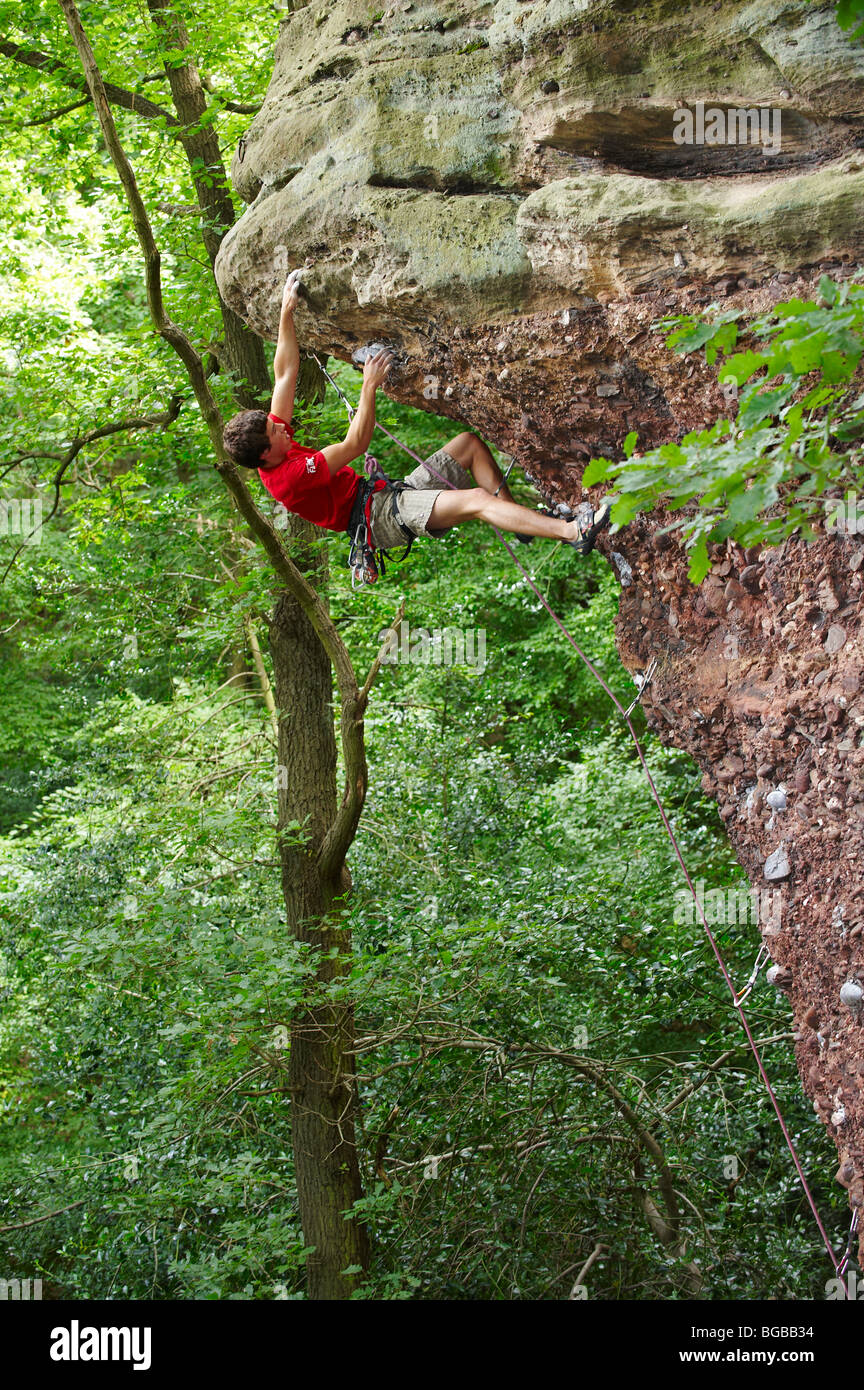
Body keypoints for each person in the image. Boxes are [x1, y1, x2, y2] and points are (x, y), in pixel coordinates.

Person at [222, 271, 609, 582]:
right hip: (378, 519)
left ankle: (522, 523)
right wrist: (368, 385)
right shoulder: (288, 476)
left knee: (468, 446)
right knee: (475, 501)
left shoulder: (272, 442)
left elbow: (285, 372)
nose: (283, 429)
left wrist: (286, 311)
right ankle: (573, 532)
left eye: (276, 426)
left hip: (382, 496)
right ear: (264, 457)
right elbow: (356, 443)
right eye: (276, 435)